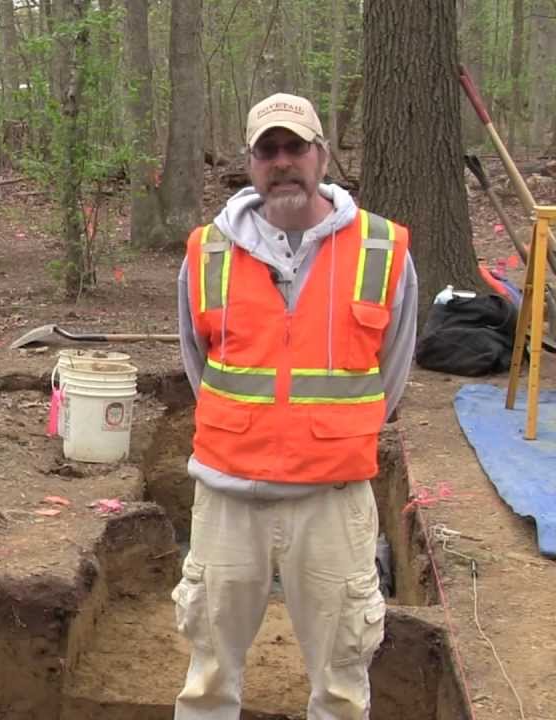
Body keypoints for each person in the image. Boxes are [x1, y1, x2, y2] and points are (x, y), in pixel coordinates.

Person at [173, 93, 418, 719]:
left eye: (295, 148)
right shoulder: (207, 251)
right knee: (207, 680)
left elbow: (390, 374)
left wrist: (330, 436)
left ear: (322, 157)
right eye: (268, 150)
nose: (283, 162)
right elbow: (199, 368)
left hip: (331, 502)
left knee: (340, 683)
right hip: (228, 500)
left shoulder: (382, 249)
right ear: (250, 163)